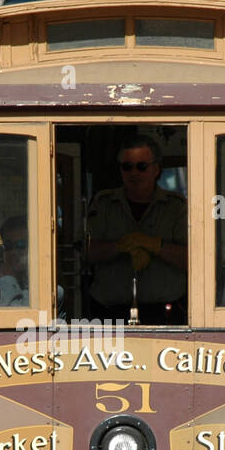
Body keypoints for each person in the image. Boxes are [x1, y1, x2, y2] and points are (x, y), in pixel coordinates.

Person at [86, 135, 188, 323]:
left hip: (165, 313)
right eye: (127, 166)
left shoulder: (177, 207)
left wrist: (155, 245)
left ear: (156, 169)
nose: (134, 173)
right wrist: (121, 246)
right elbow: (86, 252)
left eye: (142, 166)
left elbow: (193, 260)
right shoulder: (103, 204)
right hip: (109, 312)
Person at [0, 216, 30, 306]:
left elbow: (19, 318)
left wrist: (7, 279)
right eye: (8, 246)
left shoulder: (45, 287)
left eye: (21, 245)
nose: (13, 252)